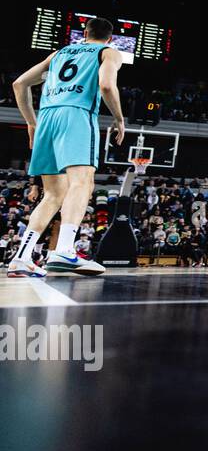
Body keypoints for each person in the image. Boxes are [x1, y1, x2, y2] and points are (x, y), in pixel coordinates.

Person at [6, 17, 125, 277]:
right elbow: (106, 85)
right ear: (110, 38)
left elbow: (19, 84)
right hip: (77, 115)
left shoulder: (59, 53)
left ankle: (22, 258)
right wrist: (118, 118)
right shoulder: (108, 52)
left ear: (84, 33)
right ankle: (64, 248)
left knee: (53, 194)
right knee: (82, 183)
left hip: (47, 118)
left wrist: (31, 123)